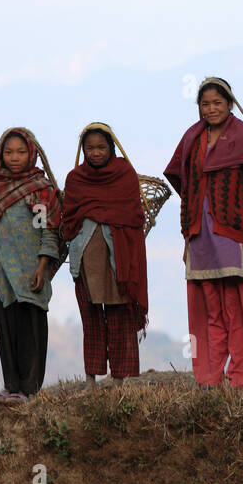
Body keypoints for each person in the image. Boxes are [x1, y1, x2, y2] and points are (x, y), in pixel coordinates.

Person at [164, 77, 243, 388]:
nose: (211, 109)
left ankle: (242, 378)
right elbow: (188, 191)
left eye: (217, 103)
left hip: (234, 235)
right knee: (206, 310)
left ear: (230, 104)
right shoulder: (192, 140)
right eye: (205, 104)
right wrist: (187, 236)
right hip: (200, 236)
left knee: (237, 309)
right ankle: (208, 377)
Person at [0, 127, 63, 403]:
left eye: (21, 152)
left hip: (30, 270)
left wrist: (42, 265)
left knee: (32, 327)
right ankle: (11, 385)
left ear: (33, 154)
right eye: (9, 151)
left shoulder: (39, 189)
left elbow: (47, 228)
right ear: (0, 154)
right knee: (6, 326)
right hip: (0, 270)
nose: (14, 157)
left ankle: (30, 388)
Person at [61, 122, 148, 385]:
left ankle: (120, 380)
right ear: (83, 150)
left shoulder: (125, 175)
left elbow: (134, 216)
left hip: (119, 261)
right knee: (91, 319)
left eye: (101, 147)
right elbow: (69, 219)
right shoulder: (75, 179)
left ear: (111, 147)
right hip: (86, 259)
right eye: (90, 148)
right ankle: (91, 379)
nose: (96, 153)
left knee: (120, 316)